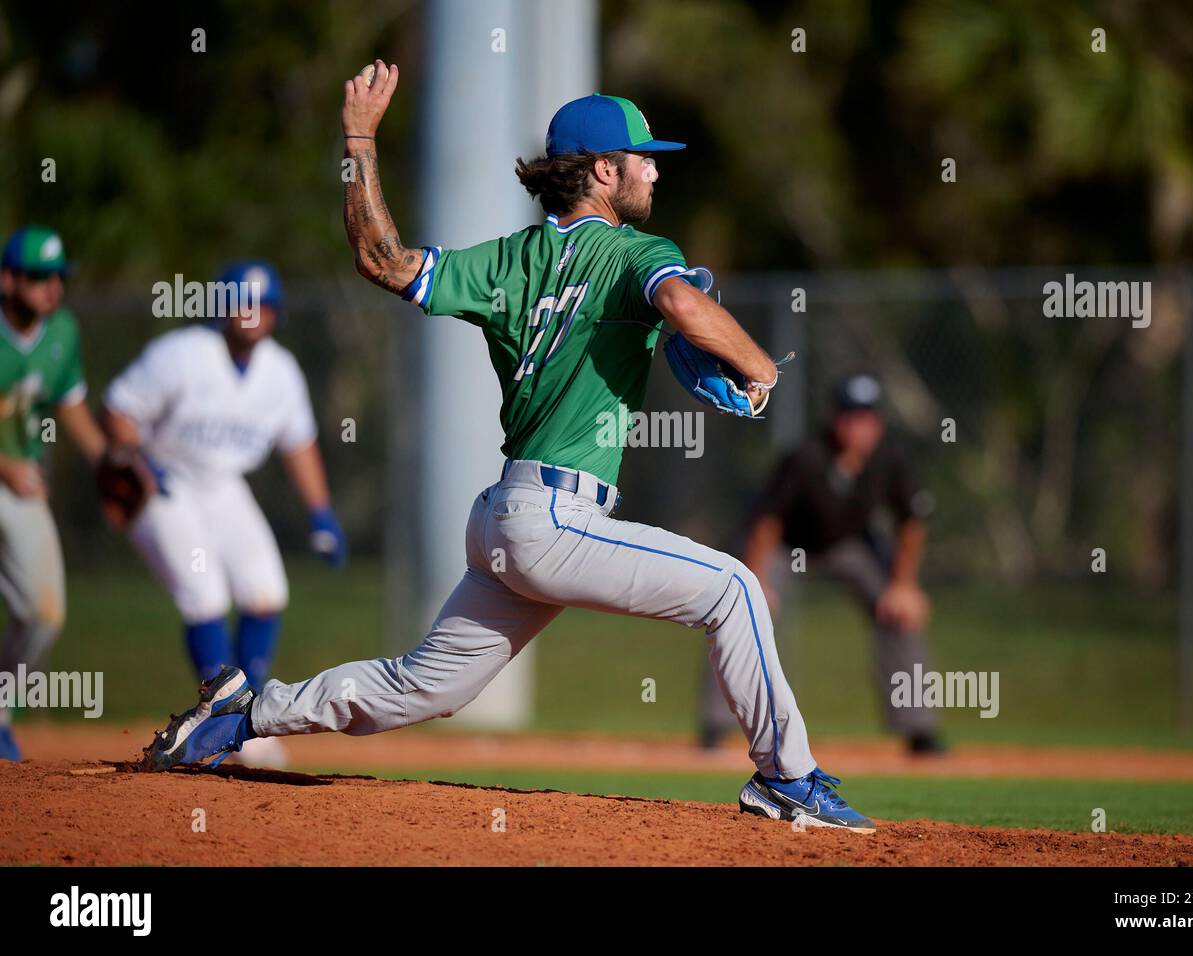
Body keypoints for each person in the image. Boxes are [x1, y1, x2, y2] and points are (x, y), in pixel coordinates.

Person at [140, 62, 875, 832]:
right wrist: (759, 368)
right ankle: (787, 779)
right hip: (556, 521)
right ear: (602, 171)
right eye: (643, 156)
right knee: (734, 590)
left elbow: (381, 261)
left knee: (425, 686)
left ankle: (244, 712)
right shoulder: (634, 254)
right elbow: (680, 301)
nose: (654, 169)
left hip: (503, 520)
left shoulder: (505, 262)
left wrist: (358, 138)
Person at [102, 261, 347, 768]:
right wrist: (137, 459)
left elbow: (298, 443)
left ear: (276, 313)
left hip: (223, 487)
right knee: (204, 592)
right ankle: (212, 725)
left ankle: (242, 719)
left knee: (266, 592)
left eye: (262, 304)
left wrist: (320, 510)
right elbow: (119, 409)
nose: (251, 313)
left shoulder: (279, 371)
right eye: (242, 301)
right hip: (166, 482)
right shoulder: (184, 354)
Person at [700, 374, 943, 754]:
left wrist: (904, 585)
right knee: (738, 609)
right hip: (785, 545)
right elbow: (767, 521)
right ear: (834, 418)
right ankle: (716, 726)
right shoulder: (807, 457)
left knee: (900, 611)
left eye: (867, 417)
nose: (859, 426)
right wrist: (757, 580)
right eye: (850, 415)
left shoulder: (889, 457)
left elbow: (912, 521)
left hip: (849, 546)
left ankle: (919, 730)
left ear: (877, 422)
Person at [0, 226, 106, 760]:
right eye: (39, 277)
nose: (52, 289)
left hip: (22, 488)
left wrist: (108, 461)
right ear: (9, 279)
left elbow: (71, 406)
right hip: (10, 474)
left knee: (45, 614)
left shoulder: (60, 329)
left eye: (58, 277)